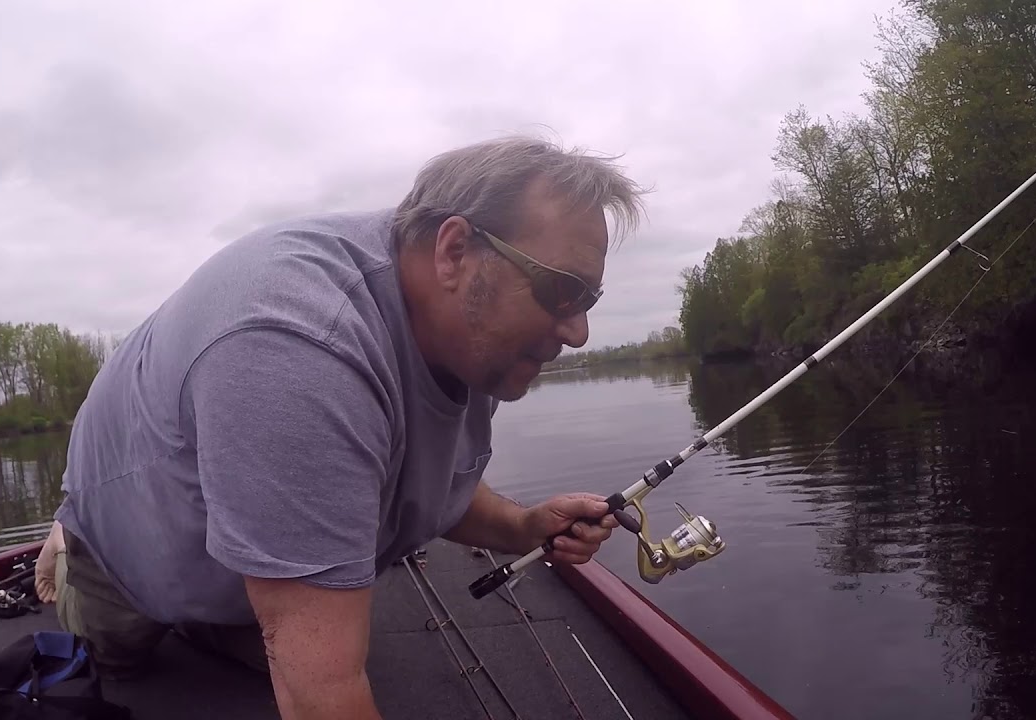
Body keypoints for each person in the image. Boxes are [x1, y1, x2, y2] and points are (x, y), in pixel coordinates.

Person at [32, 134, 649, 719]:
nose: (578, 332)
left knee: (289, 641)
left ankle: (235, 584)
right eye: (563, 291)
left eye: (587, 300)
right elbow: (321, 697)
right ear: (455, 251)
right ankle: (70, 534)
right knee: (113, 654)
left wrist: (522, 526)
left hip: (241, 536)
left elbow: (421, 484)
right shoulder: (296, 348)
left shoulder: (471, 339)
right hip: (128, 551)